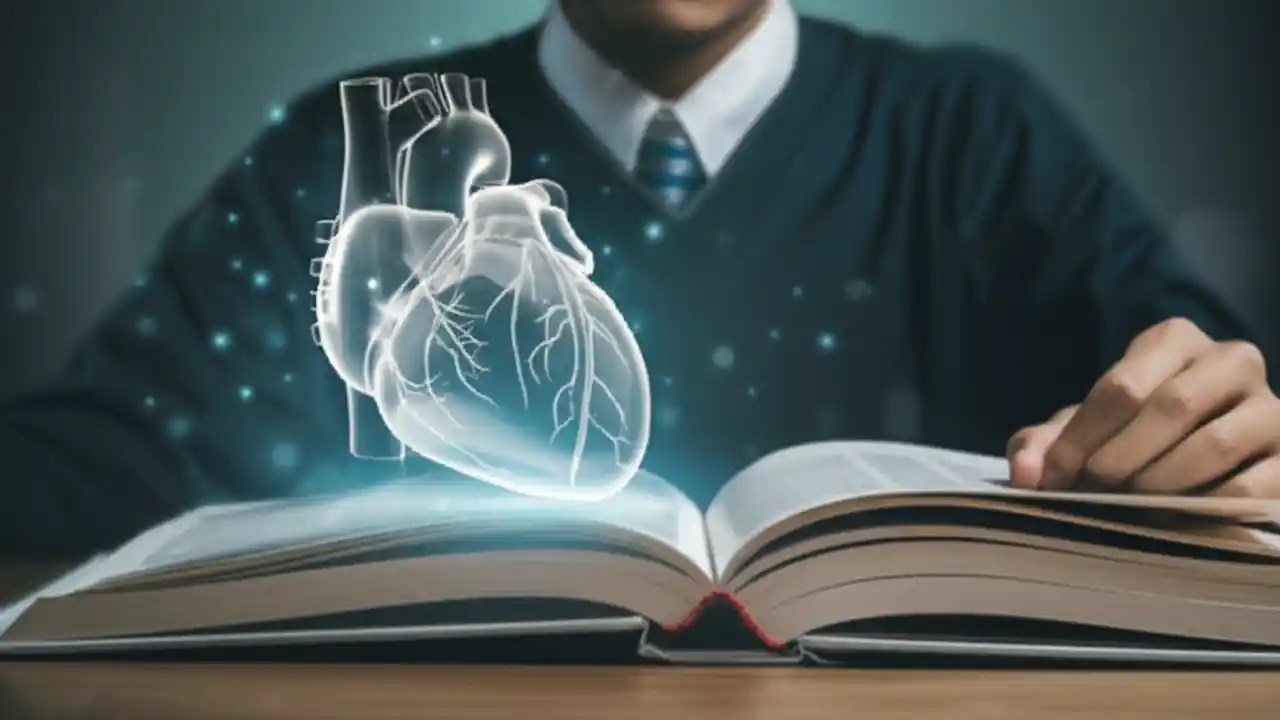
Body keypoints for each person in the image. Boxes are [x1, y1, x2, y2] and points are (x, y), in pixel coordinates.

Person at [2, 0, 1277, 557]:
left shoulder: (974, 135)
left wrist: (1215, 438)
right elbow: (113, 448)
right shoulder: (347, 151)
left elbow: (1204, 403)